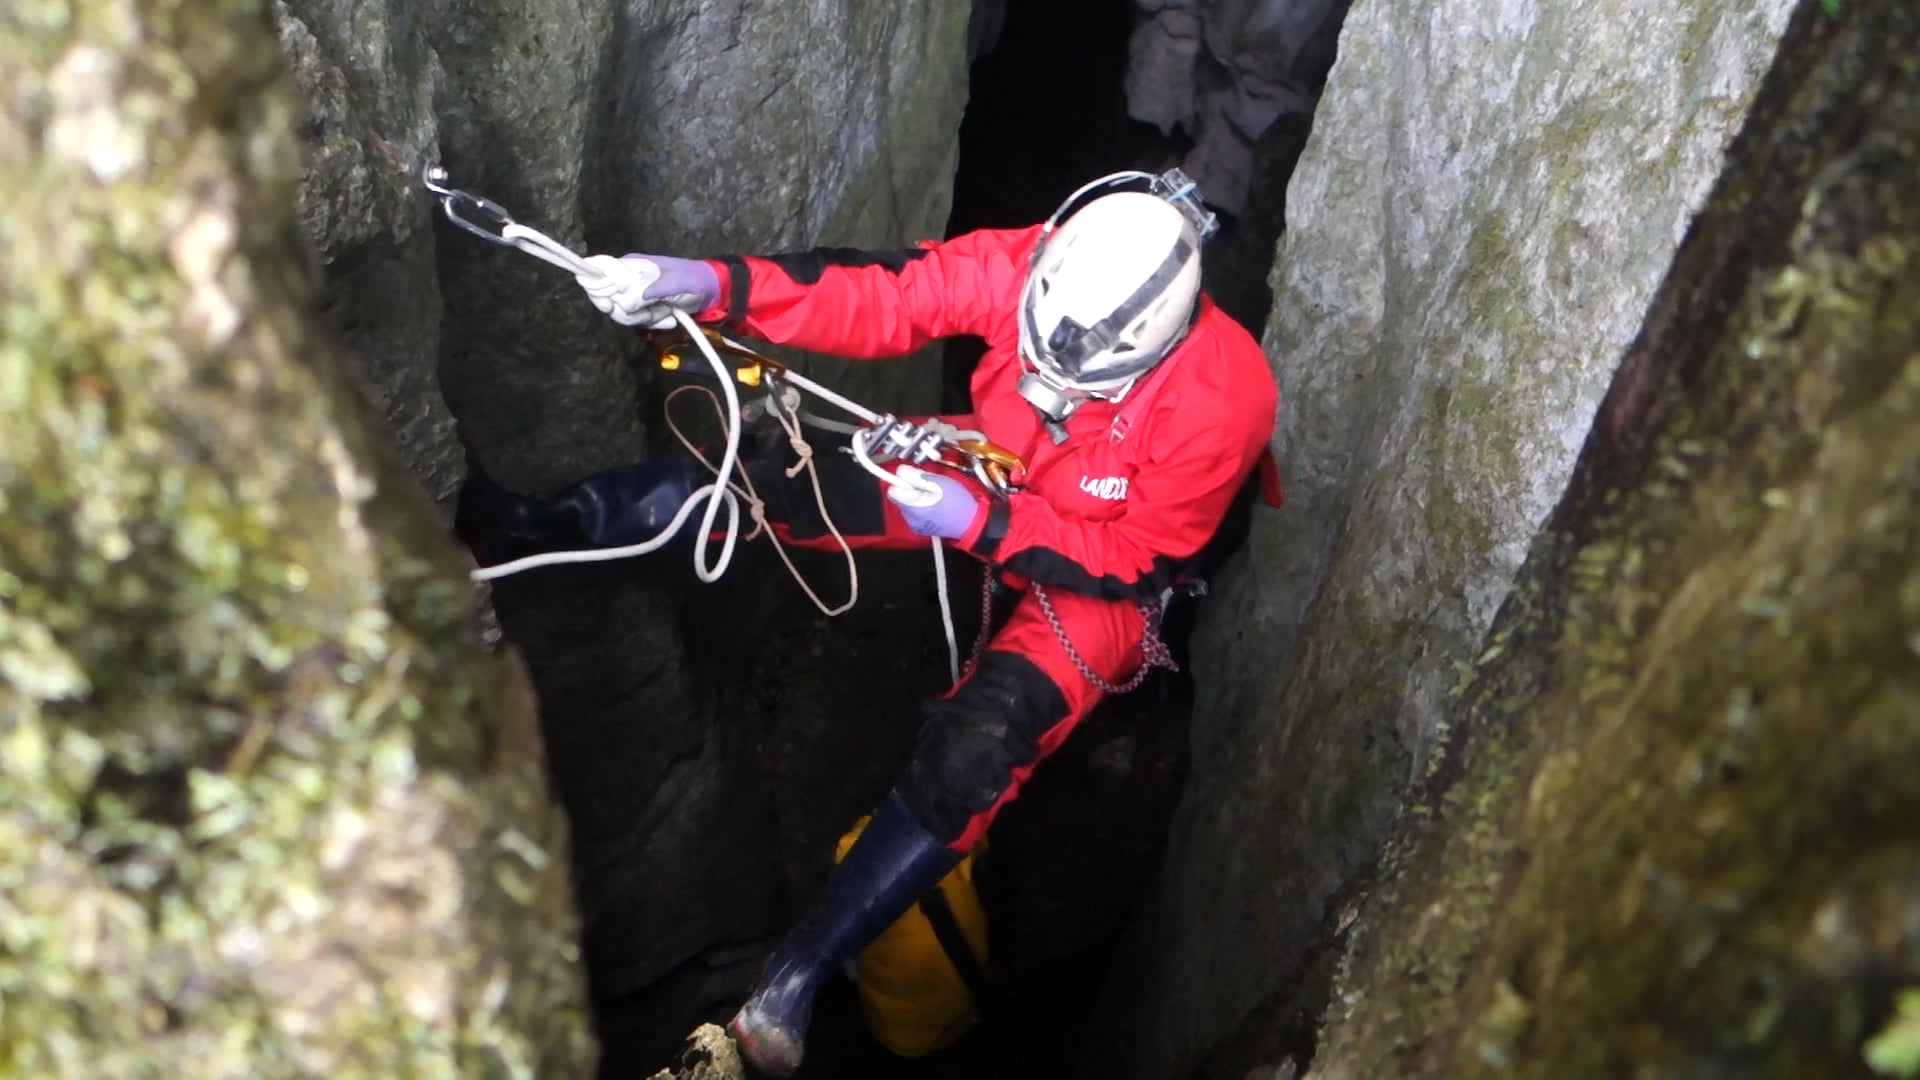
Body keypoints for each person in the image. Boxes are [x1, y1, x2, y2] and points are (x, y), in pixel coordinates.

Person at [457, 170, 1279, 1077]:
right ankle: (530, 529)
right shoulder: (1028, 265)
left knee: (980, 749)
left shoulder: (1225, 397)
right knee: (767, 481)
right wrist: (710, 286)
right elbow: (882, 292)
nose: (1049, 373)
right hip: (993, 466)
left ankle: (796, 973)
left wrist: (984, 526)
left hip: (1097, 570)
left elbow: (1137, 559)